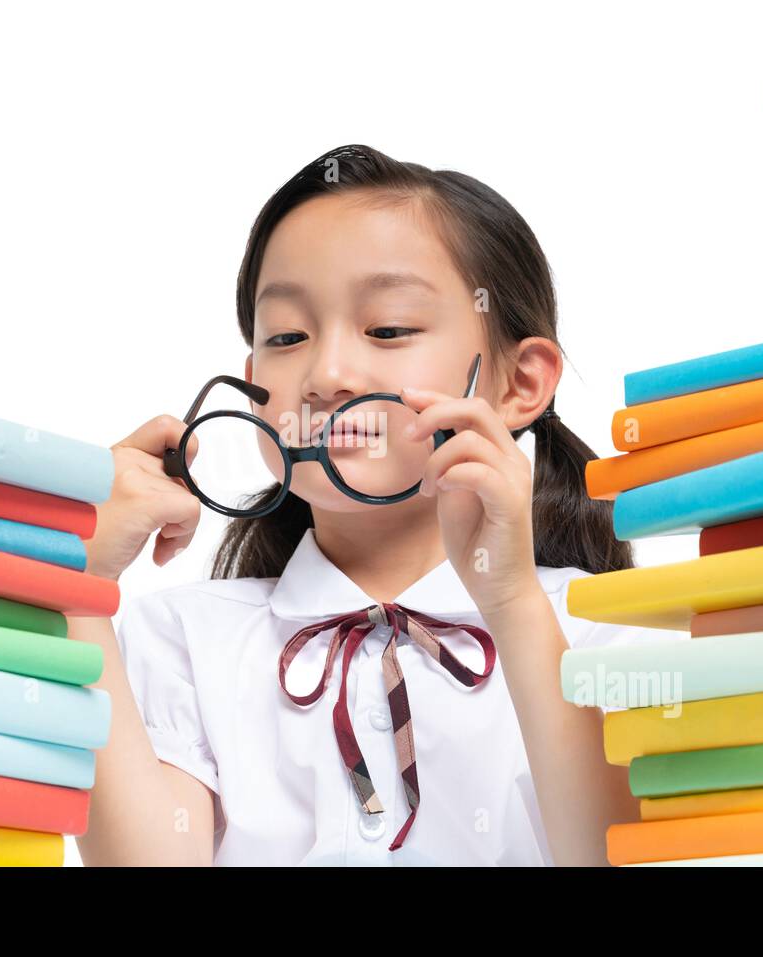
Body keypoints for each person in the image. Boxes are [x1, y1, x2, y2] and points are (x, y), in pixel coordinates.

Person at [70, 144, 682, 866]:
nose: (326, 373)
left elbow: (612, 856)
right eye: (287, 337)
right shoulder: (179, 638)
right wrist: (78, 585)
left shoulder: (608, 628)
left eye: (388, 328)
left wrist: (511, 596)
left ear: (520, 381)